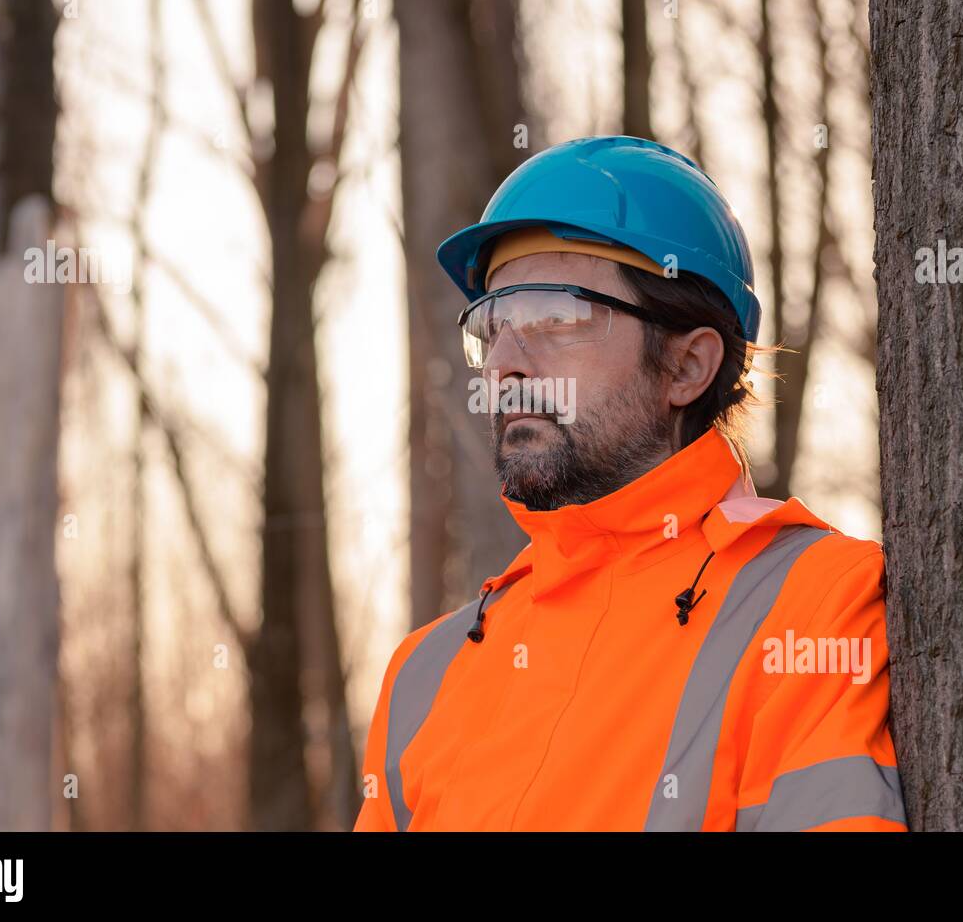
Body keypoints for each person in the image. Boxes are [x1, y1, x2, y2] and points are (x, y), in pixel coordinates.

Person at [354, 135, 906, 831]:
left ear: (687, 367)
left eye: (554, 317)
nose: (505, 365)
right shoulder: (423, 675)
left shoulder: (811, 604)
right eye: (492, 325)